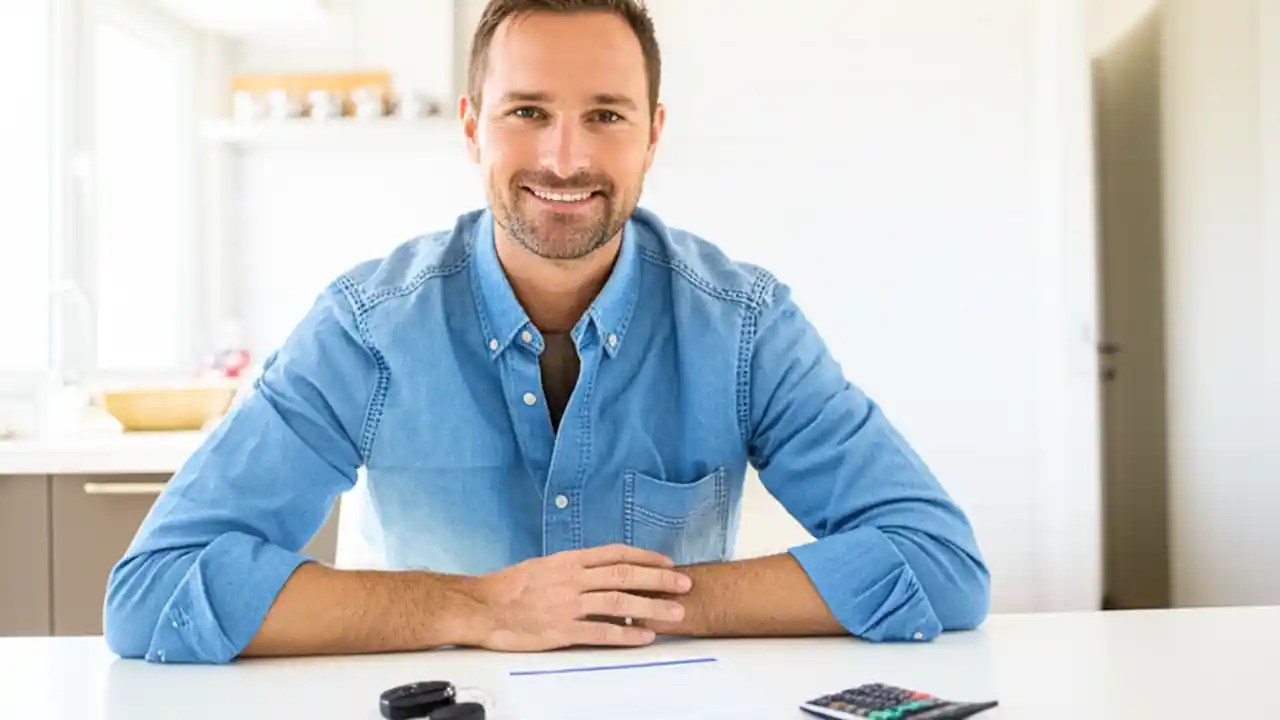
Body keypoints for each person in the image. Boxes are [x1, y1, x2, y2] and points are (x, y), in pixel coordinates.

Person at [104, 0, 989, 665]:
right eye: (527, 111)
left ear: (652, 136)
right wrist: (478, 609)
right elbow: (153, 592)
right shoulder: (366, 329)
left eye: (605, 115)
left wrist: (641, 604)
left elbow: (939, 561)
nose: (565, 159)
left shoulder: (746, 326)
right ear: (470, 128)